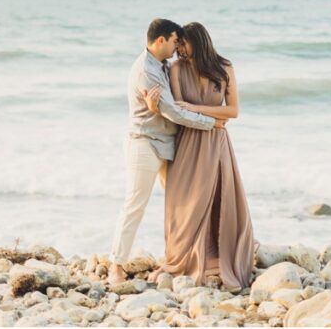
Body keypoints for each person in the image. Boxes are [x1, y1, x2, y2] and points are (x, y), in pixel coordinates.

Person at [107, 19, 227, 286]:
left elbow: (170, 104)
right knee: (135, 204)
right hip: (145, 143)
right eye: (174, 41)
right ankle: (115, 266)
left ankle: (176, 259)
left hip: (168, 144)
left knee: (178, 204)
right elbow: (172, 110)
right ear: (160, 41)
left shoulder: (163, 66)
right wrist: (211, 123)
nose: (177, 46)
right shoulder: (145, 71)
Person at [145, 22, 255, 290]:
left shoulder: (225, 67)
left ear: (199, 41)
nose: (179, 48)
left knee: (219, 196)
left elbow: (233, 111)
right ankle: (181, 255)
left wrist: (197, 107)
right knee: (185, 199)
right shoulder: (176, 69)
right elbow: (180, 113)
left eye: (183, 42)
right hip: (190, 140)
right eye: (177, 43)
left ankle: (216, 255)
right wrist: (206, 115)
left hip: (217, 141)